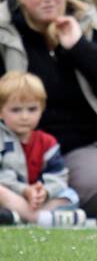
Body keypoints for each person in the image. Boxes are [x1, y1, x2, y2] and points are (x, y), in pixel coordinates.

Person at [0, 0, 97, 218]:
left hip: (79, 147)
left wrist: (79, 46)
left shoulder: (86, 25)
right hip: (13, 149)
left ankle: (33, 210)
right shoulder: (5, 31)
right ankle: (48, 210)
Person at [0, 70, 87, 226]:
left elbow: (58, 176)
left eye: (32, 109)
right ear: (1, 112)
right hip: (11, 195)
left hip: (38, 200)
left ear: (42, 108)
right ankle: (39, 218)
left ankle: (22, 217)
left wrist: (44, 192)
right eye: (16, 110)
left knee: (70, 196)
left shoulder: (47, 142)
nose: (24, 116)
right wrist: (24, 190)